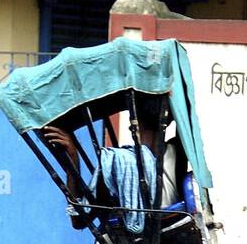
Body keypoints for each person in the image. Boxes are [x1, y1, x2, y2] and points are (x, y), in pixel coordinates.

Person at [40, 94, 177, 234]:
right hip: (154, 237)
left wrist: (73, 161)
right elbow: (79, 220)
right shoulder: (118, 162)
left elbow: (79, 220)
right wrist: (73, 161)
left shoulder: (118, 162)